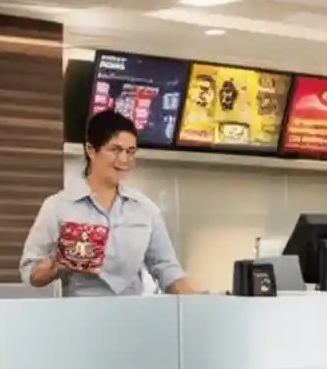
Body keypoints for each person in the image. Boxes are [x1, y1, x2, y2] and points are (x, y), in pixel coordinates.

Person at [19, 110, 201, 296]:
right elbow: (30, 271)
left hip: (133, 316)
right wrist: (58, 264)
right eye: (115, 150)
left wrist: (202, 298)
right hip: (78, 316)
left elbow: (166, 268)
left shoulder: (145, 210)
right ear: (91, 150)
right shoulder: (58, 206)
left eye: (130, 152)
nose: (124, 160)